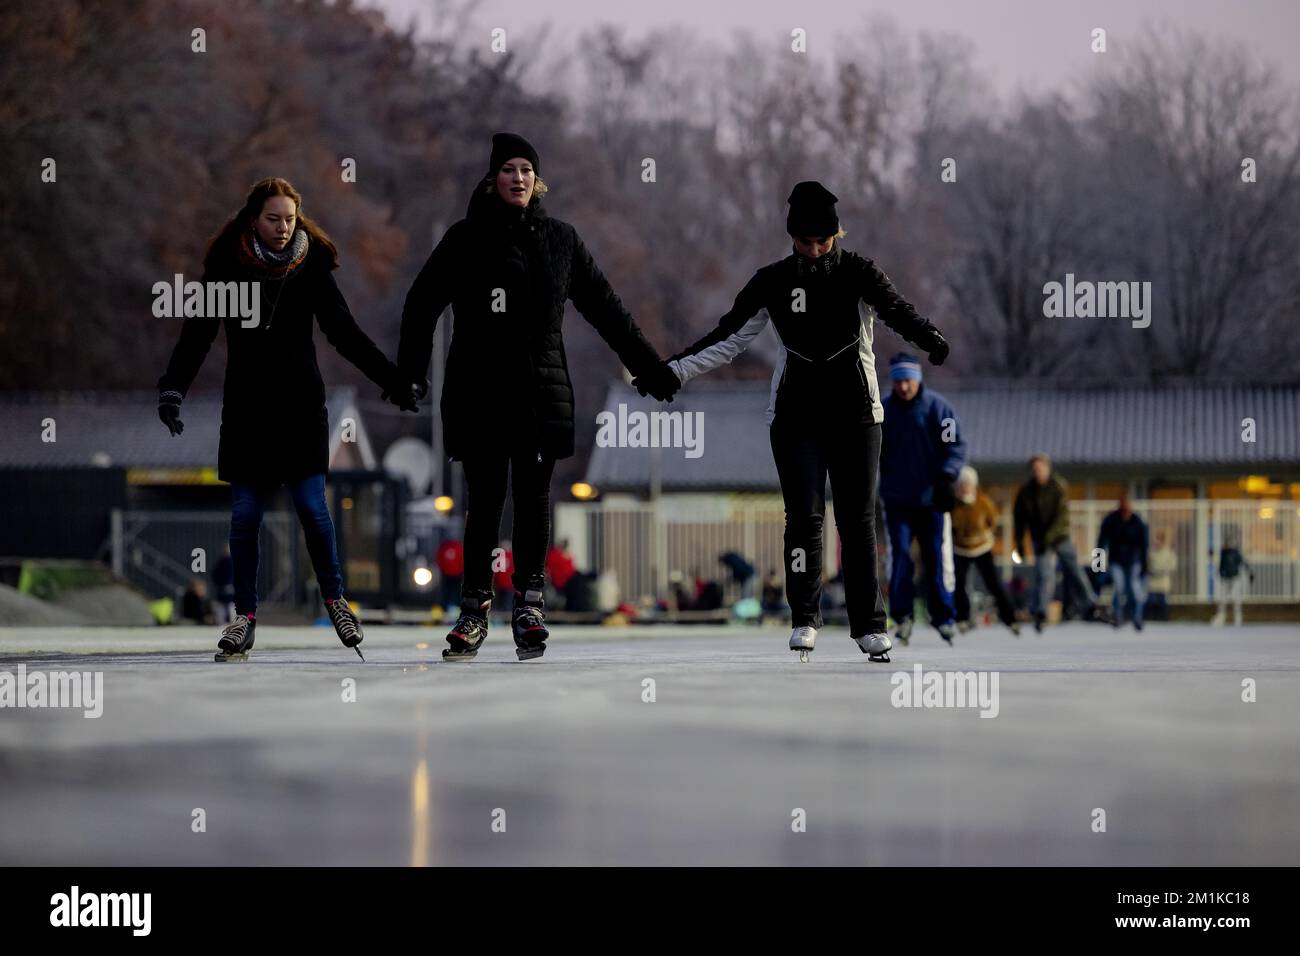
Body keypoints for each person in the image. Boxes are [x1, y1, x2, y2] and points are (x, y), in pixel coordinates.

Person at [637, 181, 950, 663]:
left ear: (837, 234)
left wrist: (929, 338)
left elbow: (896, 312)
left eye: (824, 240)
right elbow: (729, 336)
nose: (816, 249)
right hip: (796, 417)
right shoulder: (773, 281)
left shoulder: (858, 272)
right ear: (792, 238)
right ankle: (804, 617)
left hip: (857, 415)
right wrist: (673, 370)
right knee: (803, 519)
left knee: (858, 521)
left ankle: (870, 625)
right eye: (806, 241)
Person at [396, 133, 676, 661]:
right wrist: (410, 374)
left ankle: (529, 603)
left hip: (539, 390)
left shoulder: (560, 240)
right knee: (483, 501)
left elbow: (606, 307)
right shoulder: (465, 239)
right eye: (508, 169)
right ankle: (474, 609)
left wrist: (648, 368)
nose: (518, 178)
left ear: (537, 179)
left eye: (527, 169)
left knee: (533, 499)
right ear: (491, 178)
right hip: (479, 386)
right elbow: (421, 303)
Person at [158, 177, 413, 662]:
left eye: (289, 219)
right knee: (245, 515)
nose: (281, 228)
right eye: (273, 219)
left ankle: (337, 600)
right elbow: (198, 333)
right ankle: (244, 619)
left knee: (313, 508)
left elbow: (344, 332)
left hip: (300, 409)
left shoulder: (311, 265)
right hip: (248, 412)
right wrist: (173, 388)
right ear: (254, 218)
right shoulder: (227, 267)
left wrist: (392, 379)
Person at [879, 352, 966, 645]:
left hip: (932, 501)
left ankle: (944, 616)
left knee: (936, 558)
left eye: (909, 380)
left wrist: (947, 476)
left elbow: (955, 445)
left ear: (918, 380)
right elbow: (868, 449)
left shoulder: (938, 410)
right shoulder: (883, 411)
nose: (904, 386)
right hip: (896, 500)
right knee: (900, 557)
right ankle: (902, 615)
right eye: (899, 381)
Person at [1011, 453, 1101, 632]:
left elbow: (1062, 517)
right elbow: (1019, 520)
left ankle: (1091, 604)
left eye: (1041, 469)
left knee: (1075, 570)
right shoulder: (1026, 491)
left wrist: (1049, 537)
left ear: (1048, 468)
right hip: (1040, 540)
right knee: (1045, 575)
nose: (1038, 473)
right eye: (1035, 470)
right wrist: (1020, 544)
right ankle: (1041, 612)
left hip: (1060, 538)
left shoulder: (1058, 486)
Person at [950, 465, 1019, 635]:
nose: (965, 487)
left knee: (994, 584)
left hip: (982, 548)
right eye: (962, 484)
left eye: (968, 484)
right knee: (959, 585)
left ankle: (1010, 619)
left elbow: (993, 520)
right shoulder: (952, 504)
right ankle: (962, 619)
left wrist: (985, 535)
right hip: (960, 549)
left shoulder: (983, 502)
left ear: (974, 485)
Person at [1097, 494, 1149, 631]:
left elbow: (1144, 546)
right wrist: (1098, 566)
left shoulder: (1137, 522)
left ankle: (1137, 617)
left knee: (1135, 589)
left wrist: (1144, 566)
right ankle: (1117, 617)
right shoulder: (1111, 520)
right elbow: (1101, 542)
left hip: (1134, 561)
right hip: (1116, 561)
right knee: (1119, 589)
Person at [1212, 526, 1253, 627]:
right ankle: (1221, 617)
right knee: (1222, 599)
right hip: (1225, 579)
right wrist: (1220, 573)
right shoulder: (1223, 553)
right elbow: (1221, 565)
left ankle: (1238, 618)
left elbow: (1243, 563)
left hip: (1235, 578)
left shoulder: (1235, 553)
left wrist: (1249, 572)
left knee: (1236, 598)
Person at [1146, 529, 1177, 621]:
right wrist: (1150, 571)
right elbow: (1147, 565)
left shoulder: (1169, 553)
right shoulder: (1151, 553)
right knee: (1151, 602)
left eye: (1159, 539)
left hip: (1163, 582)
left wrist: (1163, 571)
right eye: (1156, 539)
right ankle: (1150, 619)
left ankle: (1163, 619)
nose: (1157, 542)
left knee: (1162, 602)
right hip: (1152, 582)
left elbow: (1172, 565)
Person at [435, 536, 464, 612]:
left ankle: (457, 606)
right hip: (447, 574)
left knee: (456, 591)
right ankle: (445, 606)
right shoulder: (444, 547)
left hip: (457, 575)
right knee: (446, 591)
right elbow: (440, 559)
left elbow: (462, 560)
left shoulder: (458, 547)